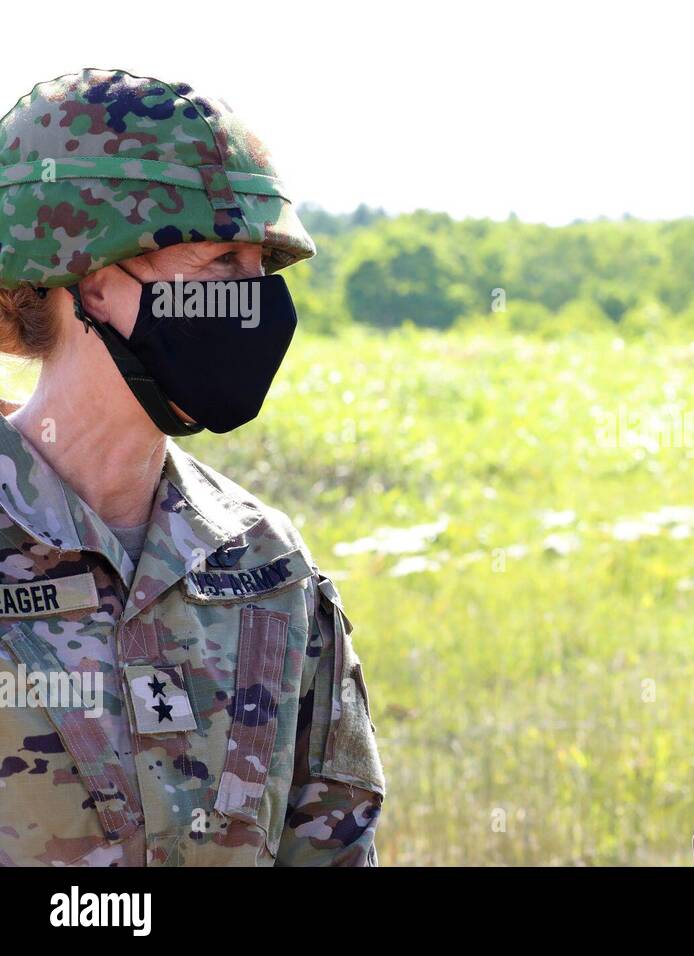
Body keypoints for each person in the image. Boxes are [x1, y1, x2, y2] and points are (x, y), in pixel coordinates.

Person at [0, 69, 384, 866]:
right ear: (93, 279)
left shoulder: (269, 567)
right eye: (219, 263)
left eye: (262, 269)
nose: (252, 302)